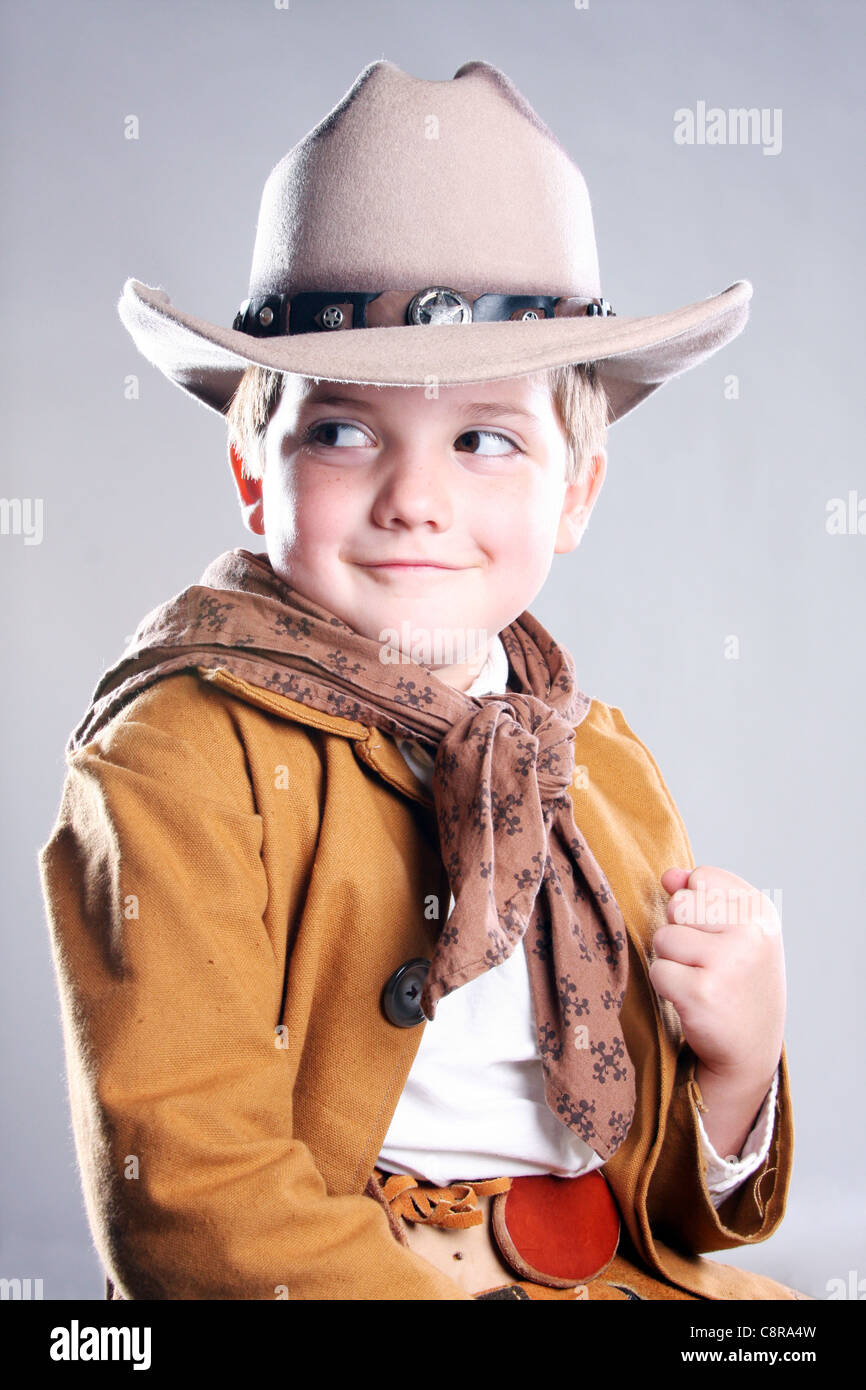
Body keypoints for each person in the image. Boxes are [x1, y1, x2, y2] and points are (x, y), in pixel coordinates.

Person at [38, 58, 809, 1300]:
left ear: (574, 492)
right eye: (342, 430)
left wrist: (735, 1066)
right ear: (252, 472)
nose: (414, 497)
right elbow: (193, 1199)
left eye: (483, 439)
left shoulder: (590, 757)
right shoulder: (174, 752)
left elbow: (660, 1208)